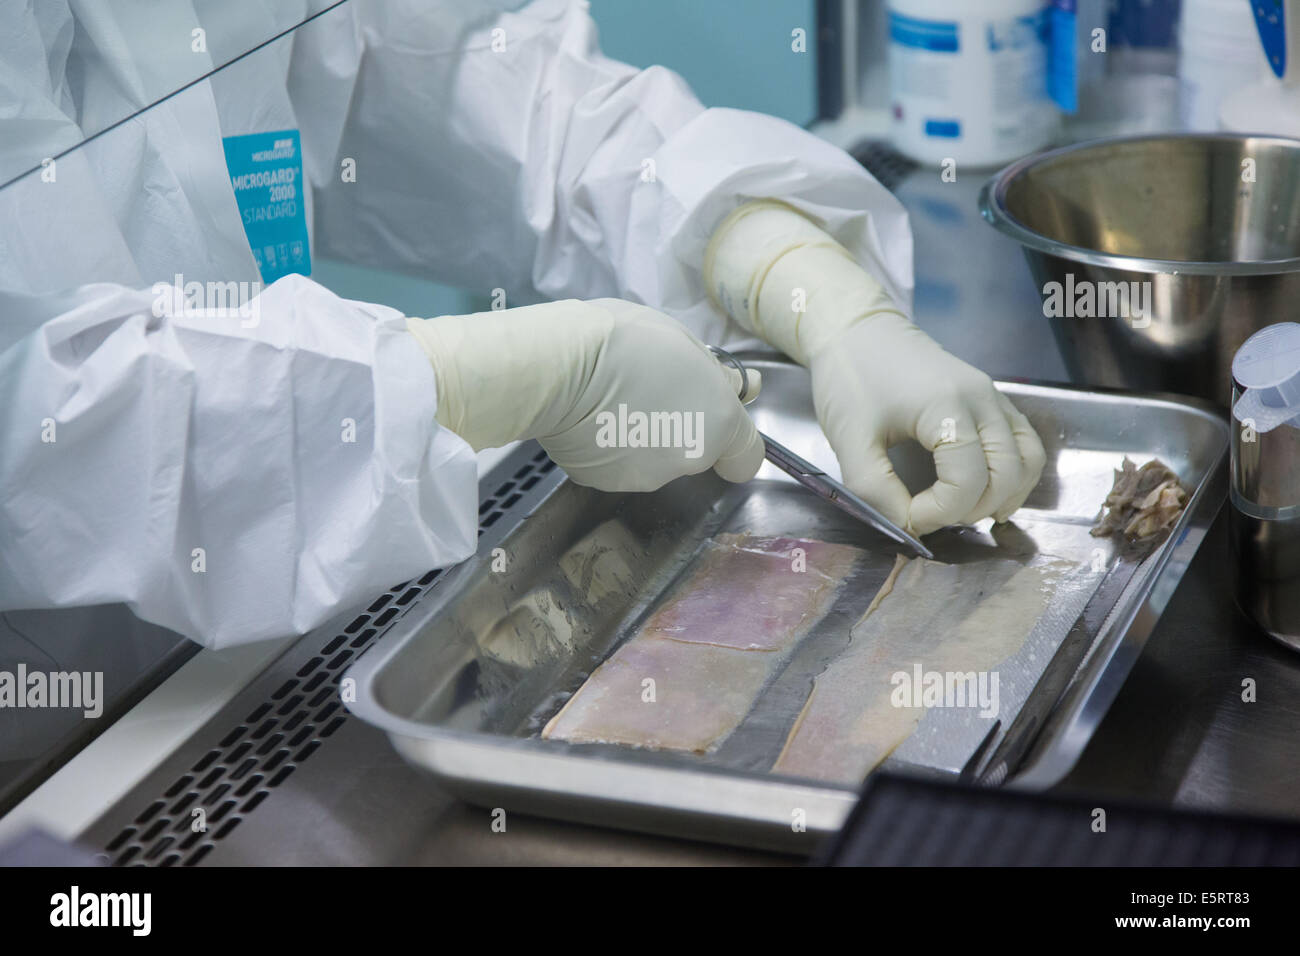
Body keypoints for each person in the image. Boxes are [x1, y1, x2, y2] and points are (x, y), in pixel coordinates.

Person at [0, 0, 1045, 648]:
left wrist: (791, 264)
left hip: (239, 640)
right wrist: (480, 378)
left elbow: (448, 74)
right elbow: (37, 417)